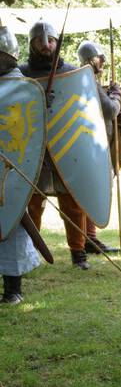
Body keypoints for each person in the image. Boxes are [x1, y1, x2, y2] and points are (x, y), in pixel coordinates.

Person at [22, 21, 90, 269]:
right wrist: (35, 96)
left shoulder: (72, 73)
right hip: (33, 149)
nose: (46, 45)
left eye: (50, 40)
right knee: (31, 204)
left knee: (72, 203)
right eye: (40, 40)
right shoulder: (21, 75)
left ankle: (78, 252)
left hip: (66, 145)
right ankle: (31, 254)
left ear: (58, 43)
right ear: (32, 44)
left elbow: (87, 109)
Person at [1, 25, 41, 304]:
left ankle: (13, 289)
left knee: (11, 226)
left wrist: (43, 105)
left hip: (11, 170)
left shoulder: (24, 88)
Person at [75, 40, 121, 256]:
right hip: (90, 146)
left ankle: (90, 239)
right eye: (99, 57)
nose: (102, 61)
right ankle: (87, 240)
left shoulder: (83, 79)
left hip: (89, 144)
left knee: (90, 192)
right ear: (89, 60)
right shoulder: (88, 81)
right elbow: (110, 110)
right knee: (91, 192)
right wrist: (116, 94)